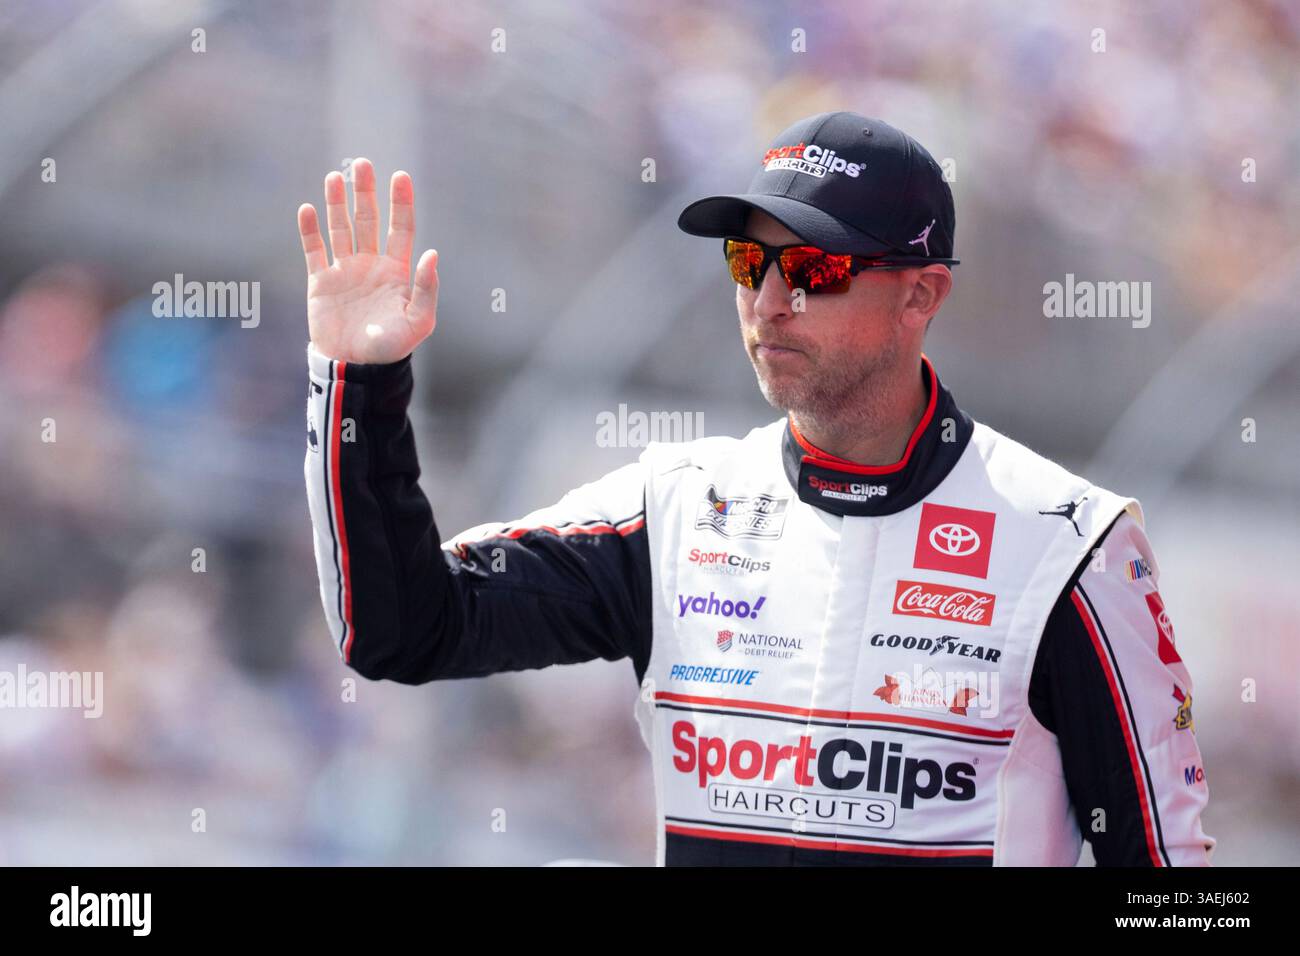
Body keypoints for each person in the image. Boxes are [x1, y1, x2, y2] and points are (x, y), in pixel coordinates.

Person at [297, 111, 1214, 866]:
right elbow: (401, 628)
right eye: (749, 262)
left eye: (815, 269)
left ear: (921, 295)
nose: (770, 299)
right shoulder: (674, 508)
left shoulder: (1069, 545)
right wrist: (361, 387)